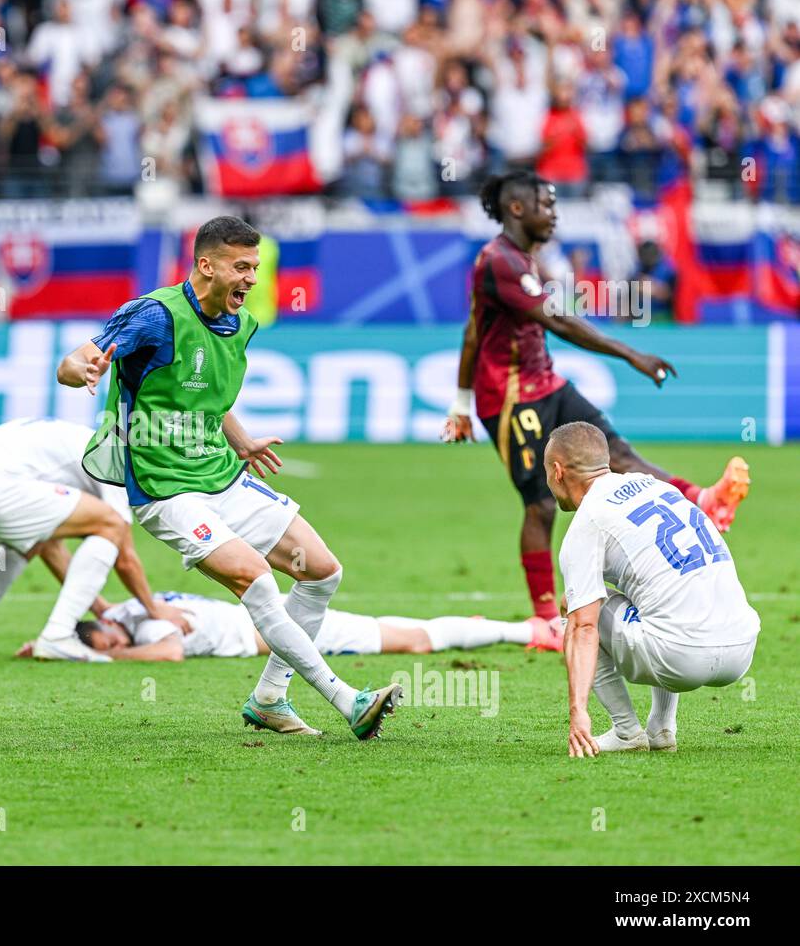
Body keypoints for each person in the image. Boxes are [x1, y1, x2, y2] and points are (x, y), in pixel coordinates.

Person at [57, 215, 402, 740]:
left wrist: (239, 439)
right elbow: (78, 356)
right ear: (206, 265)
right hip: (166, 490)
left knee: (322, 572)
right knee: (256, 580)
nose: (250, 278)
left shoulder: (241, 326)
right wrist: (79, 369)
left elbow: (206, 396)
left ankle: (268, 699)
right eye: (240, 267)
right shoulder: (154, 315)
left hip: (222, 476)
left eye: (255, 268)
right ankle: (346, 698)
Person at [443, 171, 750, 622]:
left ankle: (703, 500)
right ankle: (545, 618)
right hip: (509, 399)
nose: (554, 214)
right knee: (541, 503)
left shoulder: (522, 260)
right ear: (517, 209)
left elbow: (474, 330)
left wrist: (456, 403)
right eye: (546, 204)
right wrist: (630, 354)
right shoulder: (498, 261)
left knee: (616, 454)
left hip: (546, 383)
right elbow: (559, 322)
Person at [545, 422, 759, 757]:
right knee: (657, 597)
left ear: (557, 472)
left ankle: (626, 731)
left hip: (682, 657)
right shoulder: (657, 487)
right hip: (743, 647)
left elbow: (584, 626)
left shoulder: (587, 522)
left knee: (571, 605)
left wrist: (578, 712)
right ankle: (660, 727)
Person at [0, 417, 191, 662]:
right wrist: (154, 610)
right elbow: (125, 558)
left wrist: (99, 607)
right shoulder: (115, 461)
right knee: (110, 523)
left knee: (32, 538)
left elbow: (48, 543)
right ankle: (58, 635)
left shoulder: (81, 439)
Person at [16, 590, 565, 661]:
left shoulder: (139, 631)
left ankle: (530, 631)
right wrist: (45, 643)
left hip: (277, 627)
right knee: (406, 633)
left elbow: (168, 657)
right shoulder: (129, 611)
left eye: (111, 642)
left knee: (417, 641)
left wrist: (88, 655)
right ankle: (500, 628)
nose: (116, 647)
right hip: (268, 620)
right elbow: (95, 597)